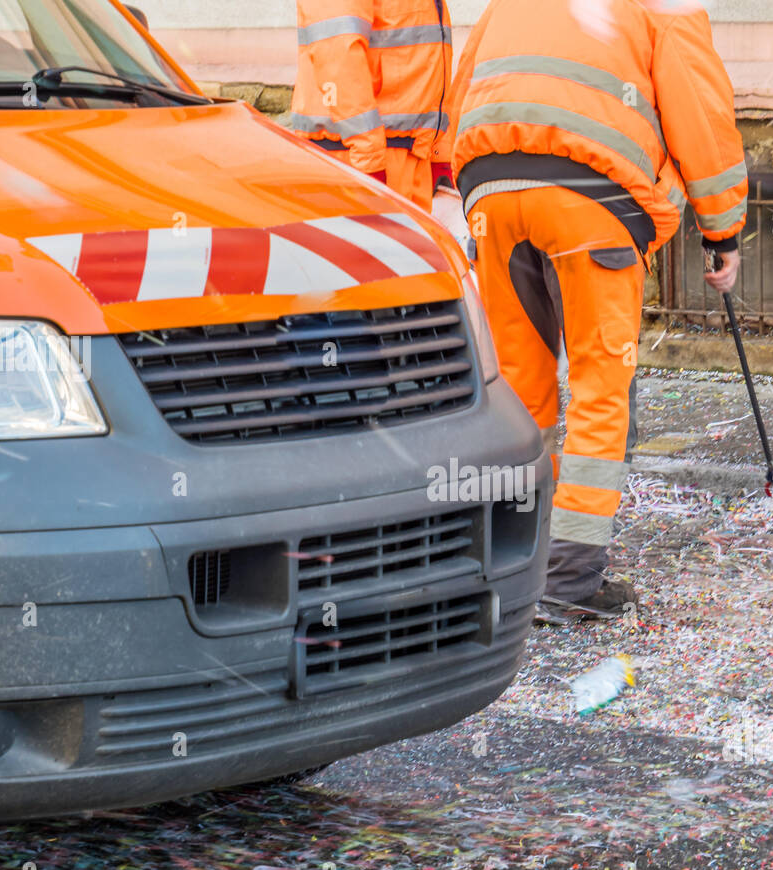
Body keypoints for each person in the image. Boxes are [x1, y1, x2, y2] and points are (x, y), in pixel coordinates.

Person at [444, 0, 747, 624]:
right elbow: (702, 117)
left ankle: (510, 568)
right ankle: (568, 581)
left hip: (490, 194)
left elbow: (464, 91)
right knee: (600, 389)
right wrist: (723, 230)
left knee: (518, 395)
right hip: (595, 202)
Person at [292, 0, 453, 210]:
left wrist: (438, 150)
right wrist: (369, 156)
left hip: (406, 156)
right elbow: (338, 53)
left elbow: (430, 61)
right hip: (355, 157)